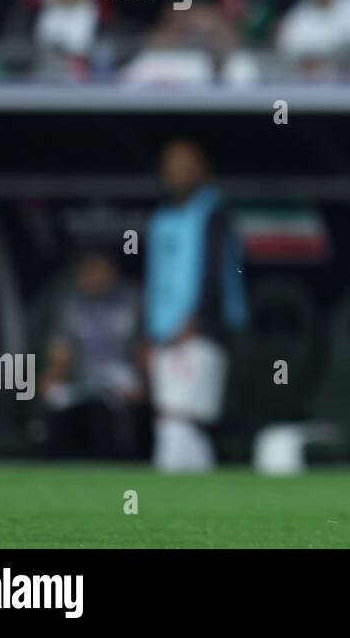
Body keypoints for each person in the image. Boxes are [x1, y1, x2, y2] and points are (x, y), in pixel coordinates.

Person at [145, 140, 246, 472]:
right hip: (163, 331)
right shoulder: (161, 217)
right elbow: (155, 279)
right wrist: (148, 332)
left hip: (202, 329)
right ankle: (194, 494)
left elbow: (214, 271)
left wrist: (196, 320)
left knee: (184, 414)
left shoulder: (214, 213)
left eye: (188, 164)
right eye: (173, 164)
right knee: (170, 414)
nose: (179, 171)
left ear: (203, 171)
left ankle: (175, 489)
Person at [39, 249, 147, 460]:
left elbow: (144, 348)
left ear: (112, 272)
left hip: (120, 375)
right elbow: (61, 351)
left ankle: (122, 458)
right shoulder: (71, 304)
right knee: (56, 395)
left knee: (116, 397)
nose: (93, 277)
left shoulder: (132, 299)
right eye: (87, 272)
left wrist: (145, 381)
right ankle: (57, 460)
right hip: (83, 377)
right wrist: (54, 374)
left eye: (99, 271)